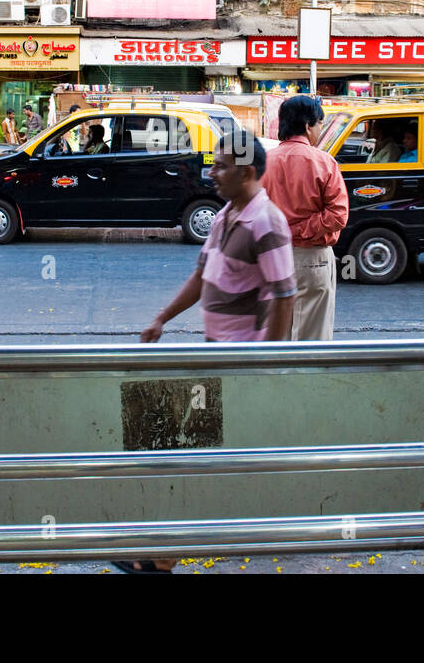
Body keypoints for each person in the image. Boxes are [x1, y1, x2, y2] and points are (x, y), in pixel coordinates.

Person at [126, 132, 295, 574]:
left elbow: (284, 296)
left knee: (192, 454)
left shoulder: (267, 223)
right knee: (182, 448)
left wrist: (268, 362)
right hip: (215, 356)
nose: (213, 173)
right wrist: (163, 317)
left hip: (241, 364)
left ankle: (161, 556)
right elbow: (203, 276)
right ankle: (161, 552)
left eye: (221, 166)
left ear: (248, 172)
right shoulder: (225, 215)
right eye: (214, 164)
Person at [261, 94, 349, 342]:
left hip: (272, 257)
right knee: (312, 338)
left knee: (276, 337)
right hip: (313, 259)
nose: (320, 129)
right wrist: (298, 231)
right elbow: (337, 215)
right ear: (308, 125)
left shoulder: (263, 164)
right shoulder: (324, 162)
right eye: (320, 123)